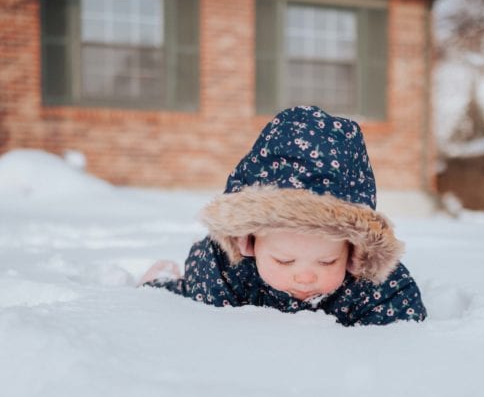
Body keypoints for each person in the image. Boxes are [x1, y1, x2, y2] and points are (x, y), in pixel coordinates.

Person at [140, 105, 427, 326]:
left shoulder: (367, 286)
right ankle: (162, 277)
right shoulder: (224, 271)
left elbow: (402, 319)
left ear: (354, 253)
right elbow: (203, 316)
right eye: (283, 260)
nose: (304, 277)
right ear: (248, 242)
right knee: (176, 291)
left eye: (328, 261)